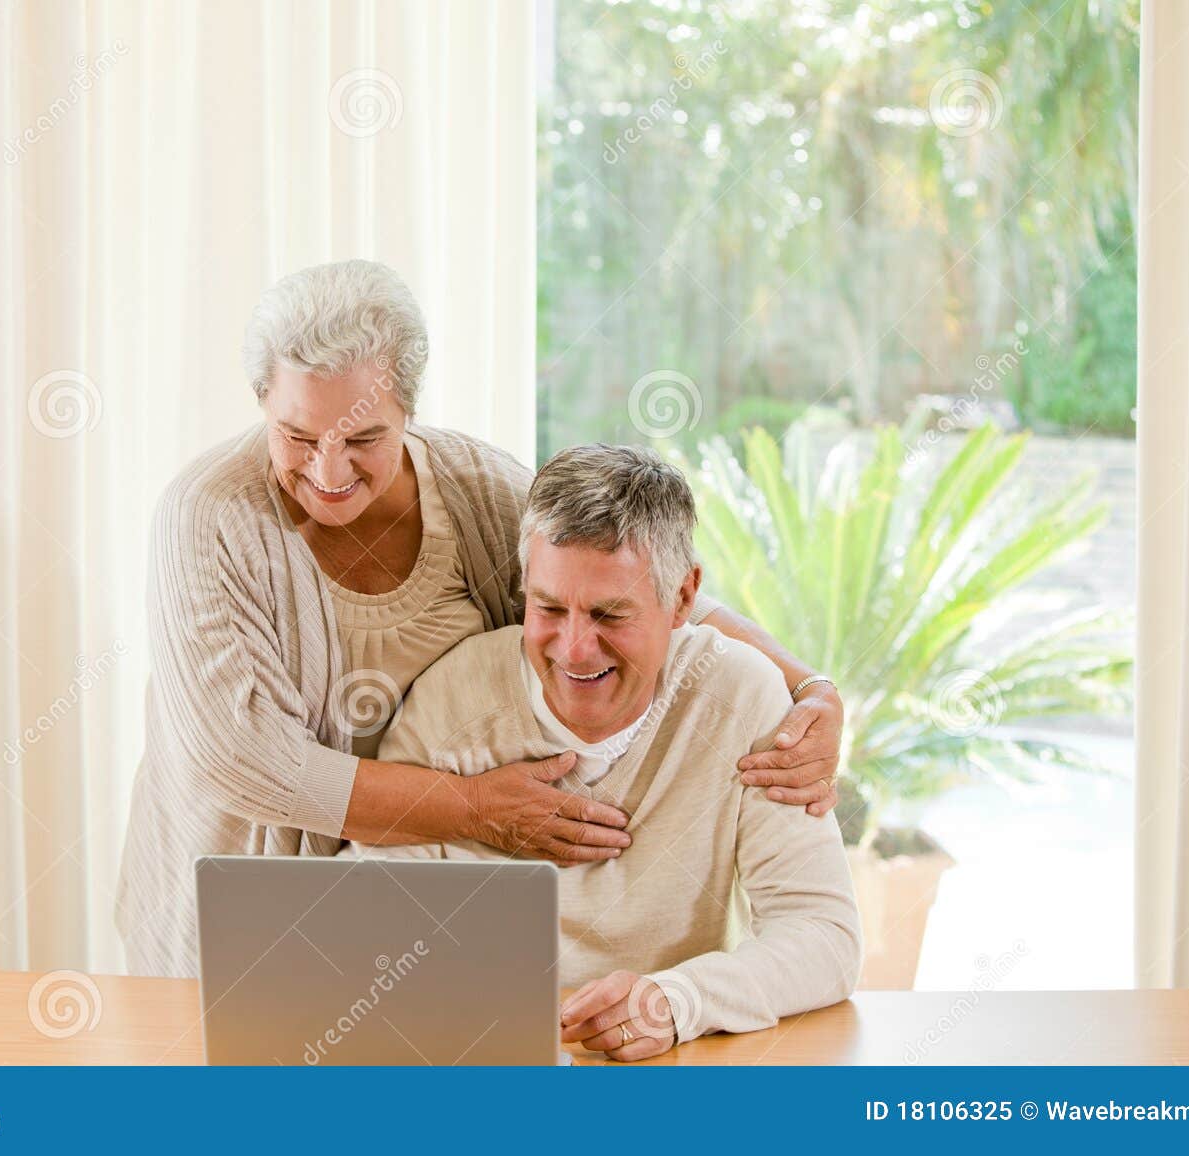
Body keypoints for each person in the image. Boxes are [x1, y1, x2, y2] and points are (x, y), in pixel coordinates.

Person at [116, 260, 846, 977]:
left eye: (364, 439)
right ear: (261, 402)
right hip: (230, 909)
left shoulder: (472, 488)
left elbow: (626, 583)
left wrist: (807, 686)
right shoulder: (207, 516)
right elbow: (252, 762)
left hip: (391, 908)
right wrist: (469, 808)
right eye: (298, 437)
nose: (330, 472)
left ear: (408, 410)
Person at [348, 444, 861, 1061]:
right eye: (548, 607)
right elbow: (365, 927)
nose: (574, 650)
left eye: (609, 614)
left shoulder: (740, 697)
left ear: (683, 597)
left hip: (670, 1067)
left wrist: (676, 1001)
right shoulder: (452, 699)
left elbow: (825, 936)